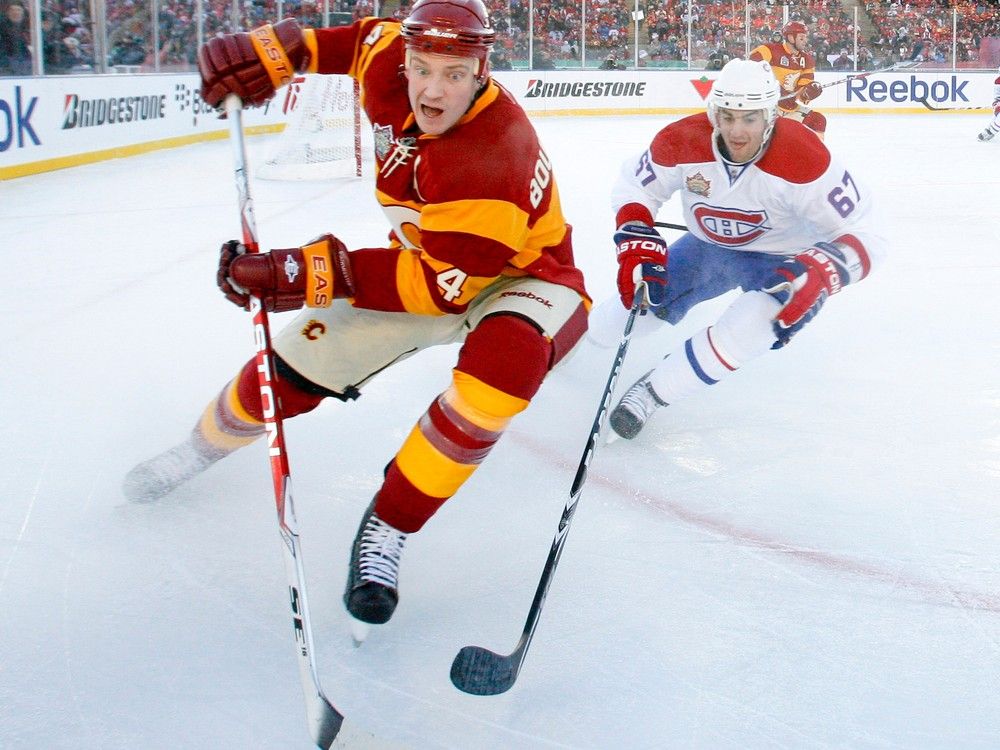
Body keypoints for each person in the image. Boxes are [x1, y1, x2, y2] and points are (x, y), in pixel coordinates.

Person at [123, 0, 590, 628]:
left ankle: (390, 526)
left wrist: (308, 272)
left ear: (482, 70)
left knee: (502, 370)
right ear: (406, 58)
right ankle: (196, 449)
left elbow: (440, 292)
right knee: (290, 367)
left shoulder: (490, 157)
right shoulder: (389, 57)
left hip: (524, 277)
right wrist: (274, 51)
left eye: (455, 74)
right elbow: (350, 42)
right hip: (428, 258)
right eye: (422, 67)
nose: (433, 89)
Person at [597, 58, 885, 440]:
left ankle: (652, 393)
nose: (736, 131)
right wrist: (636, 235)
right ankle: (574, 351)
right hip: (706, 247)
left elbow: (869, 230)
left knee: (764, 319)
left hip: (780, 259)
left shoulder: (805, 157)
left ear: (770, 116)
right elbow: (636, 187)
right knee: (640, 300)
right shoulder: (680, 139)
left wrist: (825, 269)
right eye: (727, 116)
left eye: (749, 119)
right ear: (713, 111)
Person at [749, 21, 827, 140]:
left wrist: (808, 93)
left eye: (805, 37)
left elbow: (801, 93)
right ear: (790, 37)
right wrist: (775, 89)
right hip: (768, 106)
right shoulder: (770, 50)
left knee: (818, 120)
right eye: (801, 37)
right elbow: (751, 67)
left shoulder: (807, 59)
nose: (805, 40)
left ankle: (808, 155)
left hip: (789, 108)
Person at [0, 1, 32, 76]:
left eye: (18, 10)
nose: (15, 12)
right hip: (7, 65)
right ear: (7, 13)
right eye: (12, 10)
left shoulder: (29, 26)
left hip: (27, 64)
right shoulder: (2, 27)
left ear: (23, 12)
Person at [976, 65, 1000, 142]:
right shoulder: (998, 82)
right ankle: (989, 131)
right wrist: (996, 104)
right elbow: (997, 98)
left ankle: (991, 131)